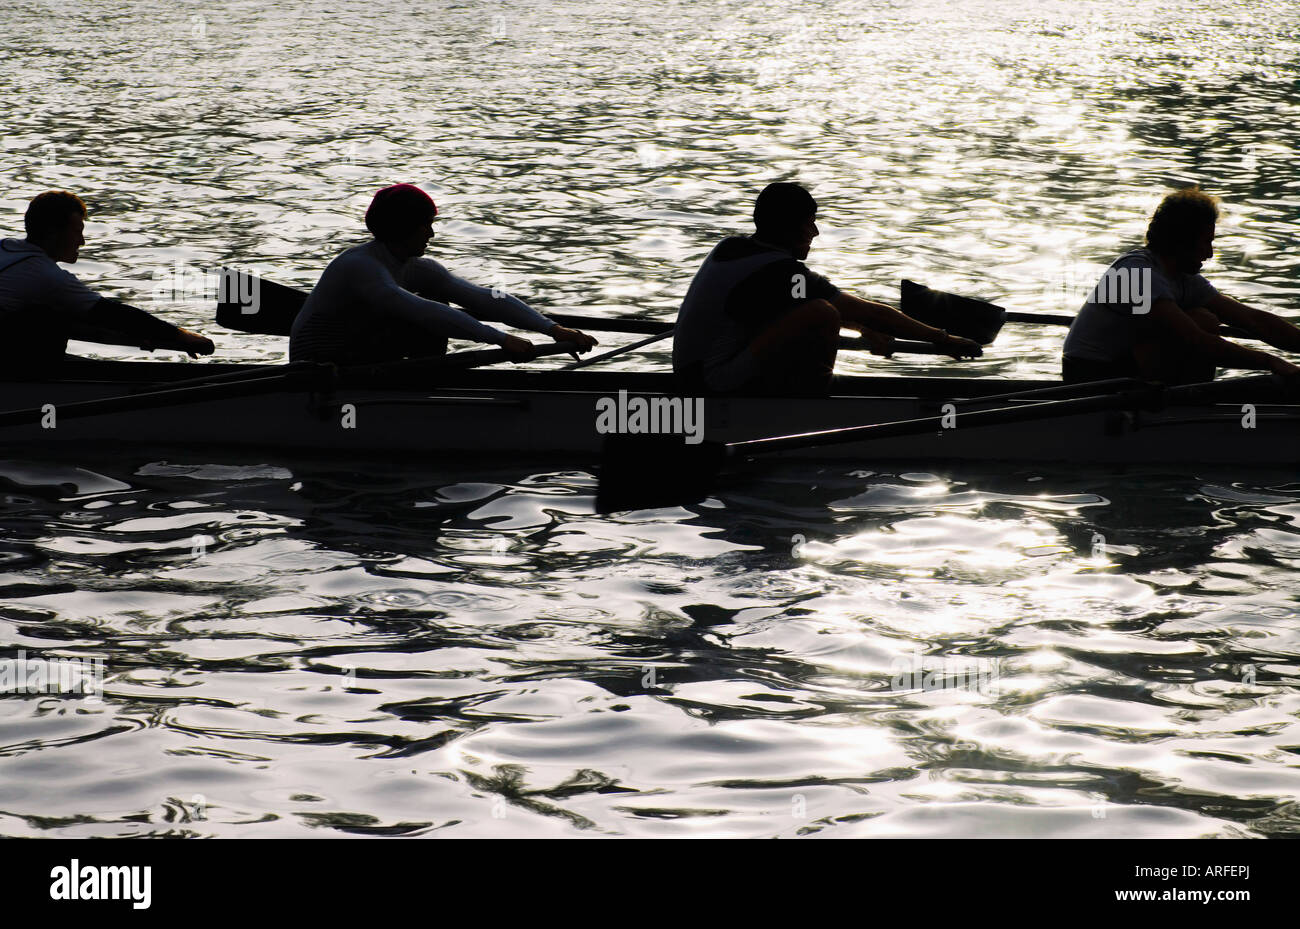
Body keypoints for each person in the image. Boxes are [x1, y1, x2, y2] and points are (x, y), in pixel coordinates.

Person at [672, 182, 981, 396]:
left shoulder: (732, 248)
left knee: (820, 311)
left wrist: (860, 328)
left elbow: (848, 315)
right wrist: (944, 340)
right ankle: (808, 405)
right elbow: (868, 311)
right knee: (820, 313)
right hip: (710, 385)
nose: (816, 232)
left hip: (693, 375)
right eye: (810, 223)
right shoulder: (779, 272)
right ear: (787, 228)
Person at [289, 184, 597, 364]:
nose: (432, 233)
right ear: (401, 227)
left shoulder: (417, 268)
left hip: (364, 357)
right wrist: (501, 339)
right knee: (431, 315)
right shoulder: (360, 267)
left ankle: (426, 384)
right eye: (425, 224)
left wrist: (553, 330)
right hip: (317, 367)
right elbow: (421, 311)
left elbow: (485, 299)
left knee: (441, 300)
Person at [1062, 186, 1300, 384]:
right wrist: (1270, 361)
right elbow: (1194, 338)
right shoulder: (1134, 273)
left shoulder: (1182, 278)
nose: (1209, 253)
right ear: (1180, 242)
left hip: (1124, 369)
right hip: (1090, 376)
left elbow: (1253, 321)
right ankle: (1189, 409)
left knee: (1204, 317)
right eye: (1205, 242)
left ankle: (1191, 403)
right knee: (1202, 322)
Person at [0, 191, 214, 377]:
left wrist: (148, 335)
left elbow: (90, 319)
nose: (82, 241)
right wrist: (182, 336)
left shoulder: (5, 247)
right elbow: (112, 315)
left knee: (48, 316)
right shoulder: (47, 275)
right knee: (45, 319)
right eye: (77, 232)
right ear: (53, 233)